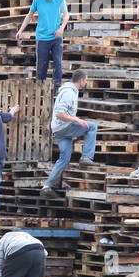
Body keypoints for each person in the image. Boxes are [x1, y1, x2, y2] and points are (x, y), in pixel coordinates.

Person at [41, 70, 97, 198]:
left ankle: (47, 186)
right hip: (63, 127)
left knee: (64, 158)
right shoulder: (69, 93)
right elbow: (60, 114)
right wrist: (77, 120)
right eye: (86, 80)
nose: (86, 82)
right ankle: (86, 157)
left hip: (59, 130)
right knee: (92, 127)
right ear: (81, 80)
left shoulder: (70, 91)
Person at [16, 0, 69, 89]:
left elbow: (66, 15)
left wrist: (61, 28)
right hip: (42, 37)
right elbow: (29, 15)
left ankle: (57, 88)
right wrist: (21, 30)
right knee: (41, 65)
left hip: (56, 37)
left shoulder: (60, 0)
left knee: (57, 64)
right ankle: (41, 89)